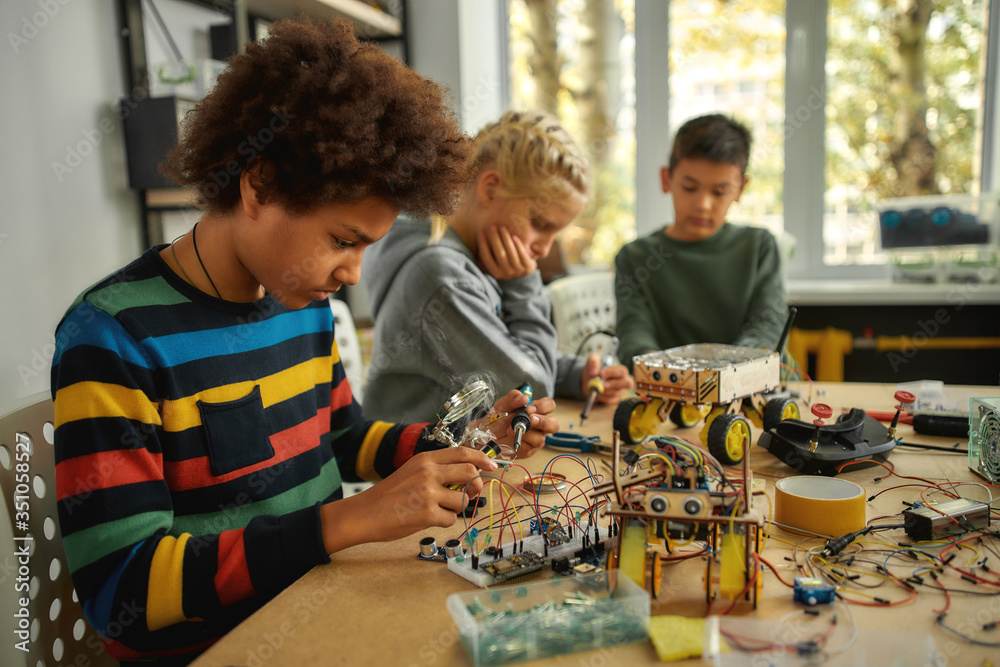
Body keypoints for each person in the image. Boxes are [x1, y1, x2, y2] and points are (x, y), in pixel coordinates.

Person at [50, 19, 557, 666]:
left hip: (318, 612)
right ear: (259, 185)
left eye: (366, 248)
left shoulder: (303, 304)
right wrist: (344, 523)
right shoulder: (114, 339)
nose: (352, 274)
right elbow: (123, 585)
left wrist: (461, 439)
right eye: (342, 240)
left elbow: (342, 438)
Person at [360, 109, 633, 424]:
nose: (544, 249)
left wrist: (574, 376)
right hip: (418, 465)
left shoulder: (462, 257)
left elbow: (500, 353)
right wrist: (525, 287)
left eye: (555, 233)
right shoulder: (444, 277)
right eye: (539, 222)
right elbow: (529, 393)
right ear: (490, 188)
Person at [614, 113, 787, 368]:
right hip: (670, 393)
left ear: (740, 188)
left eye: (719, 191)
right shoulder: (635, 258)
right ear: (666, 180)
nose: (703, 205)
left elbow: (767, 327)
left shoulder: (759, 247)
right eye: (689, 188)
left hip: (748, 390)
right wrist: (670, 373)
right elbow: (634, 337)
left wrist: (731, 369)